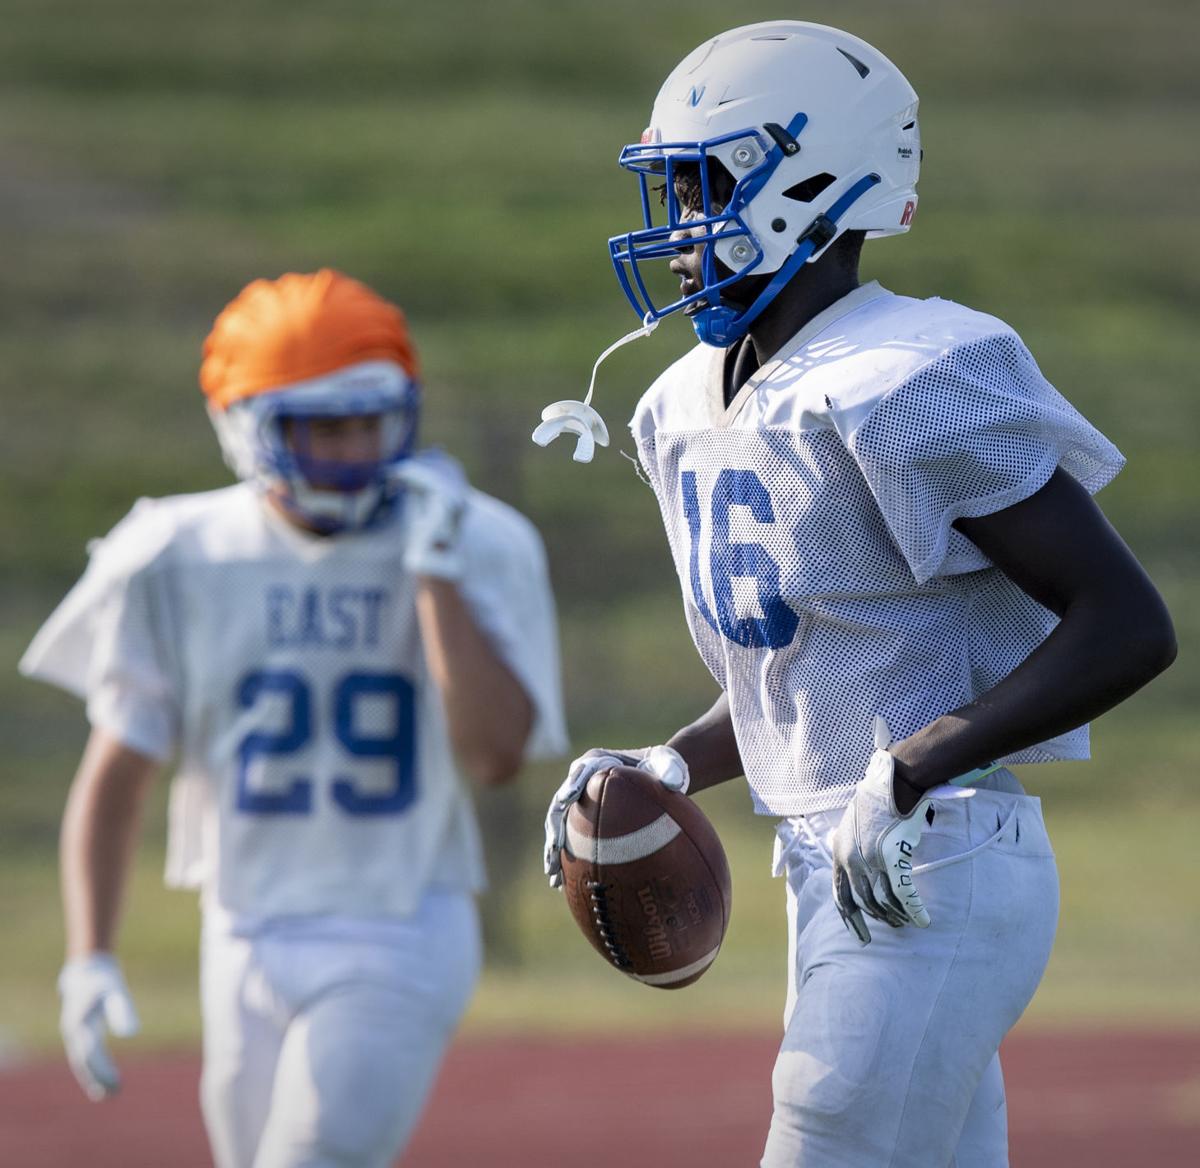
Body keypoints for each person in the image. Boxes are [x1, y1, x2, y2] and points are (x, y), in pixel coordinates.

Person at [540, 21, 1176, 1167]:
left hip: (941, 856)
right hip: (840, 863)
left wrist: (916, 763)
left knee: (826, 1136)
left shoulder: (908, 376)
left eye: (703, 184)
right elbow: (821, 665)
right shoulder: (690, 400)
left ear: (809, 181)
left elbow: (1126, 622)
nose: (679, 230)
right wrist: (674, 761)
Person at [22, 269, 567, 1168]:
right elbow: (118, 771)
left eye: (369, 422)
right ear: (245, 428)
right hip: (241, 929)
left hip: (399, 920)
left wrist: (434, 576)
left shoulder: (475, 540)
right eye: (321, 427)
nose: (353, 449)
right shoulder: (175, 553)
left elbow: (496, 754)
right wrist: (89, 955)